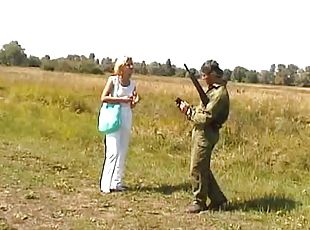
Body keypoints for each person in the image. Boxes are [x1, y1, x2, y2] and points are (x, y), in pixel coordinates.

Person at [177, 60, 230, 213]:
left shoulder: (220, 94)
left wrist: (189, 113)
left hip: (207, 132)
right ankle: (219, 200)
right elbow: (203, 111)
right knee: (202, 168)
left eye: (204, 75)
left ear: (213, 75)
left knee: (197, 167)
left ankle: (199, 201)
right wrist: (191, 109)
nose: (202, 78)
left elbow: (206, 117)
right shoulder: (212, 90)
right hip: (201, 132)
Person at [99, 56, 139, 193]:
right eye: (128, 64)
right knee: (113, 151)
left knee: (122, 150)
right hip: (113, 117)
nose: (131, 67)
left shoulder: (133, 84)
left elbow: (132, 103)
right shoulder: (113, 80)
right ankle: (106, 184)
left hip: (127, 116)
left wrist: (134, 101)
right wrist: (121, 99)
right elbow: (103, 98)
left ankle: (117, 182)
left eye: (132, 64)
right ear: (121, 67)